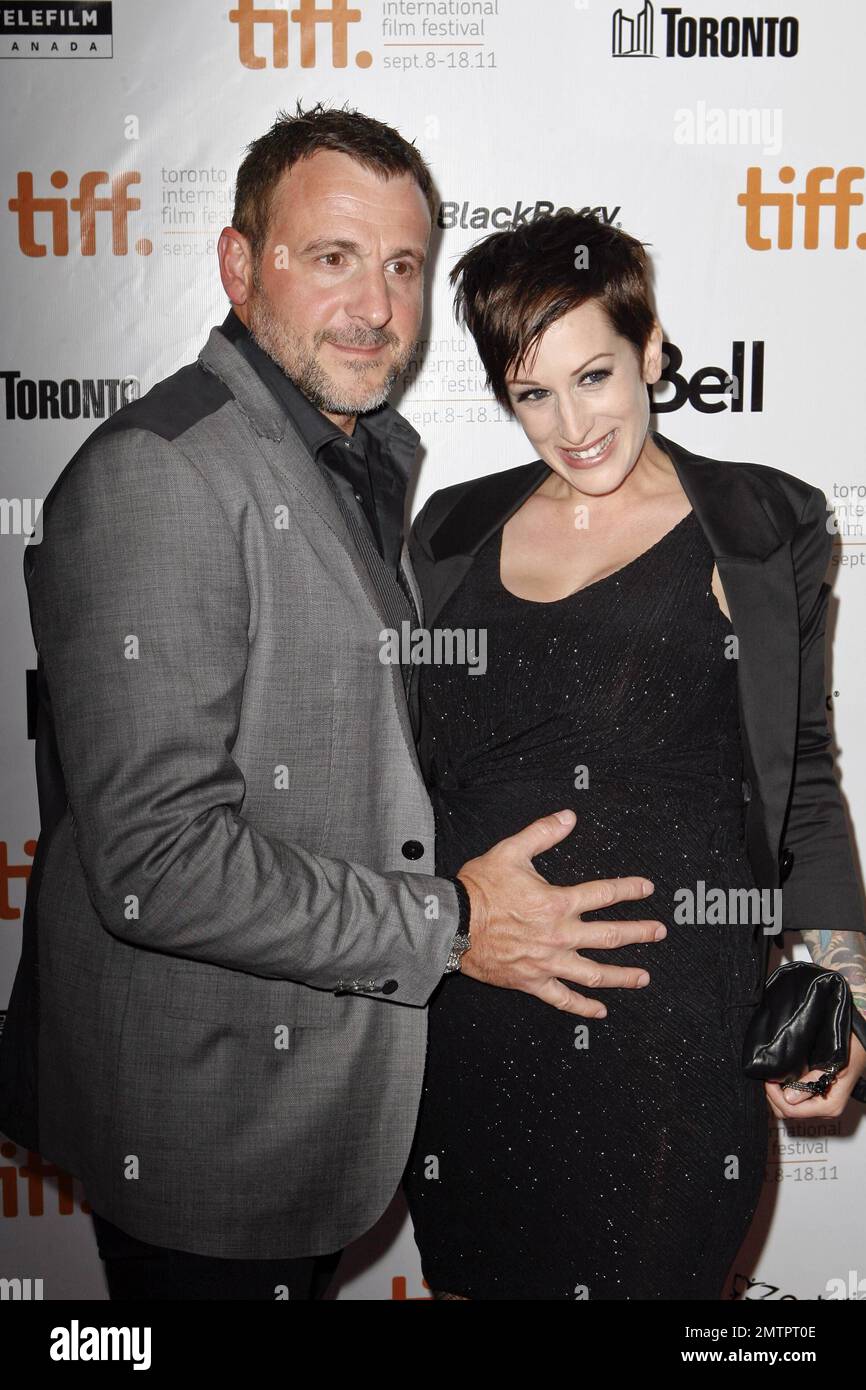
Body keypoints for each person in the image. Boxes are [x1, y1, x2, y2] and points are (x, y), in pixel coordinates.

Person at [0, 110, 666, 1301]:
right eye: (332, 258)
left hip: (324, 1095)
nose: (376, 307)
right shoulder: (161, 471)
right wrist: (455, 924)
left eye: (402, 266)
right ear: (238, 265)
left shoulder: (360, 458)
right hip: (208, 1124)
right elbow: (160, 859)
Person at [403, 210, 866, 1300]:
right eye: (532, 393)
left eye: (595, 374)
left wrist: (842, 988)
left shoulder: (759, 524)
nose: (571, 423)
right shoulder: (445, 533)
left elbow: (800, 775)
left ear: (652, 349)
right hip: (474, 1008)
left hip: (662, 1025)